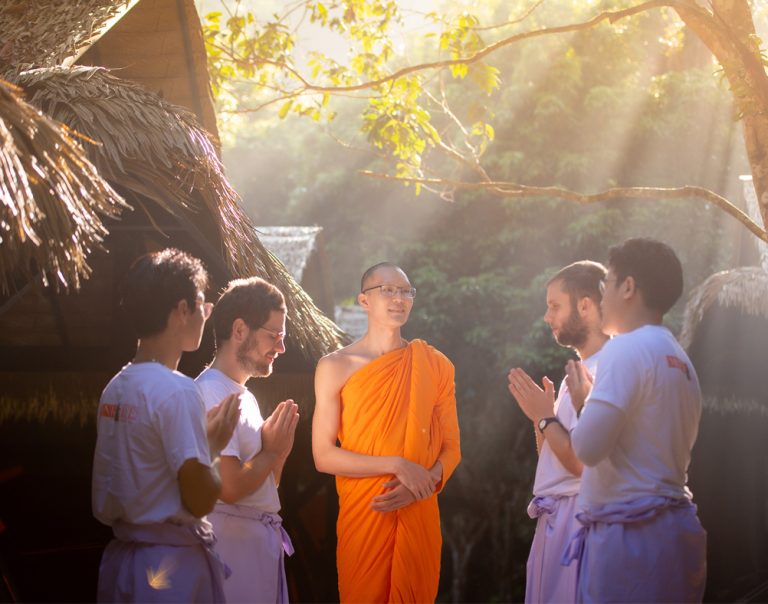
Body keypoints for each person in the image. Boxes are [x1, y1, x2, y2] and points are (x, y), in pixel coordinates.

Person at [92, 248, 240, 603]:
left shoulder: (117, 386)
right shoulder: (178, 390)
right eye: (203, 305)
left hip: (125, 559)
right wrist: (213, 446)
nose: (206, 316)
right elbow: (201, 499)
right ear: (182, 310)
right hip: (168, 568)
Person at [564, 238, 707, 603]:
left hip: (632, 539)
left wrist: (584, 404)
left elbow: (588, 448)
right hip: (674, 533)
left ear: (628, 287)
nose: (602, 297)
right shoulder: (680, 359)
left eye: (606, 284)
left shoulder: (625, 349)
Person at [312, 262, 461, 603]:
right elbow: (323, 455)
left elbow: (452, 449)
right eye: (388, 290)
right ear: (364, 301)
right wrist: (398, 466)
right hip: (367, 511)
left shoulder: (435, 365)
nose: (399, 299)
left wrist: (421, 485)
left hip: (418, 509)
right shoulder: (335, 366)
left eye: (406, 291)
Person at [507, 261, 608, 604]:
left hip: (583, 521)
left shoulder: (610, 367)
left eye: (554, 306)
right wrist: (542, 419)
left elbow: (580, 462)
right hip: (557, 518)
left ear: (586, 306)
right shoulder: (575, 374)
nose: (547, 317)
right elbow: (552, 460)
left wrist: (546, 417)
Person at [196, 277, 299, 604]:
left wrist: (278, 457)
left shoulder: (248, 398)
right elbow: (229, 487)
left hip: (256, 548)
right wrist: (271, 451)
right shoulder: (210, 392)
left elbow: (265, 490)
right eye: (274, 335)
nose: (281, 348)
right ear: (239, 330)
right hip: (230, 553)